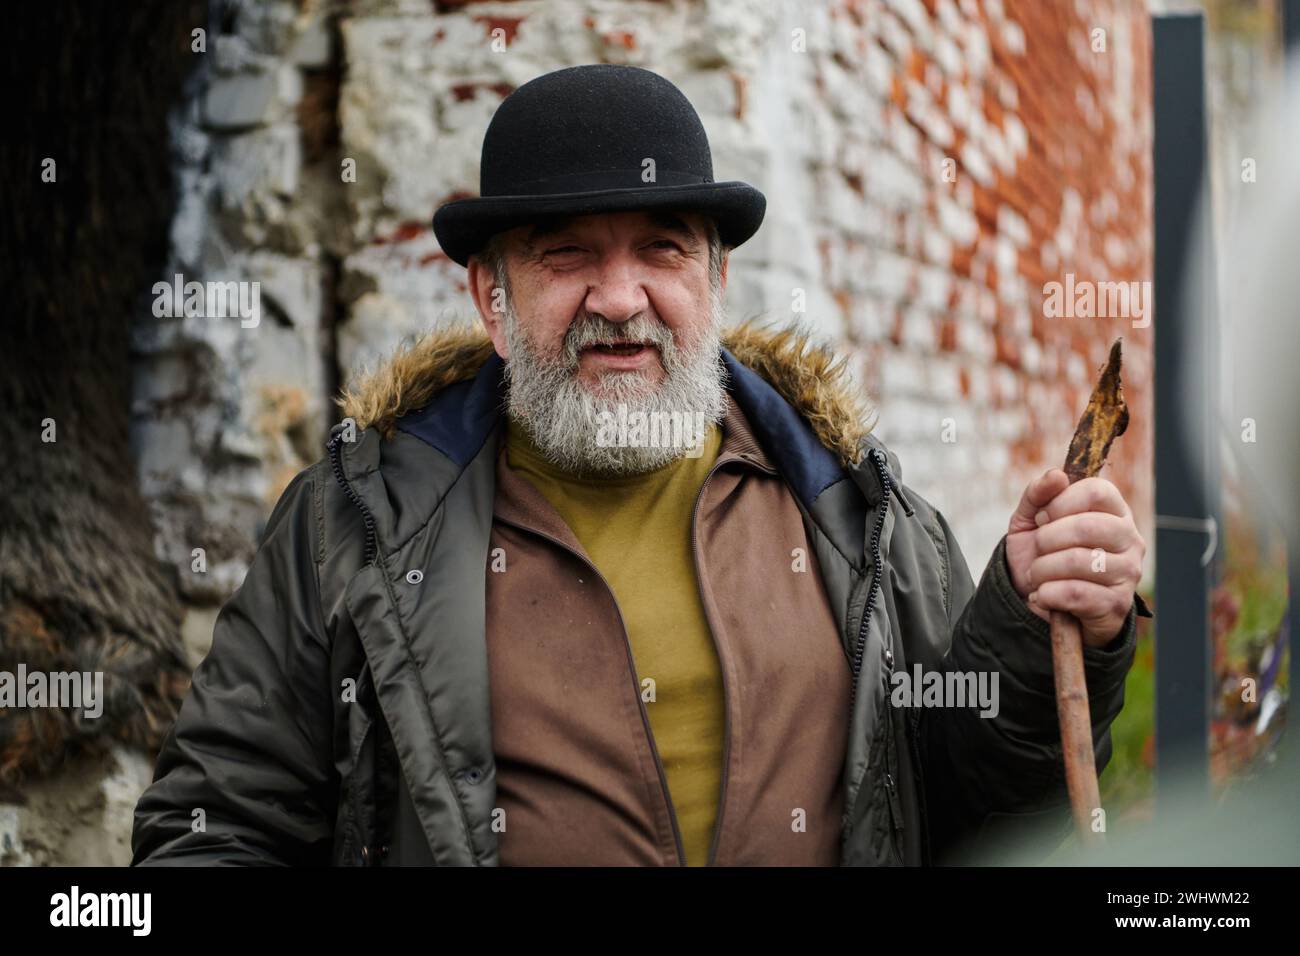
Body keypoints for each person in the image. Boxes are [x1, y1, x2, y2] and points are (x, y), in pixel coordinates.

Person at [131, 64, 1147, 867]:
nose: (620, 297)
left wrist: (1033, 620)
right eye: (566, 254)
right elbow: (215, 825)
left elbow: (978, 816)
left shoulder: (857, 510)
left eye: (661, 248)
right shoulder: (348, 524)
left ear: (713, 278)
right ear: (490, 299)